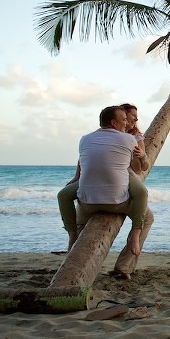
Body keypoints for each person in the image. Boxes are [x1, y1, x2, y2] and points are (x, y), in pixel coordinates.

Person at [57, 105, 153, 279]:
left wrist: (76, 178)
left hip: (87, 202)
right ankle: (133, 242)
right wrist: (143, 156)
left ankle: (72, 236)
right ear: (114, 122)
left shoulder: (84, 139)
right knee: (145, 207)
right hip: (117, 200)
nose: (128, 122)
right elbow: (141, 169)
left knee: (63, 196)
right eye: (124, 119)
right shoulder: (129, 139)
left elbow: (84, 160)